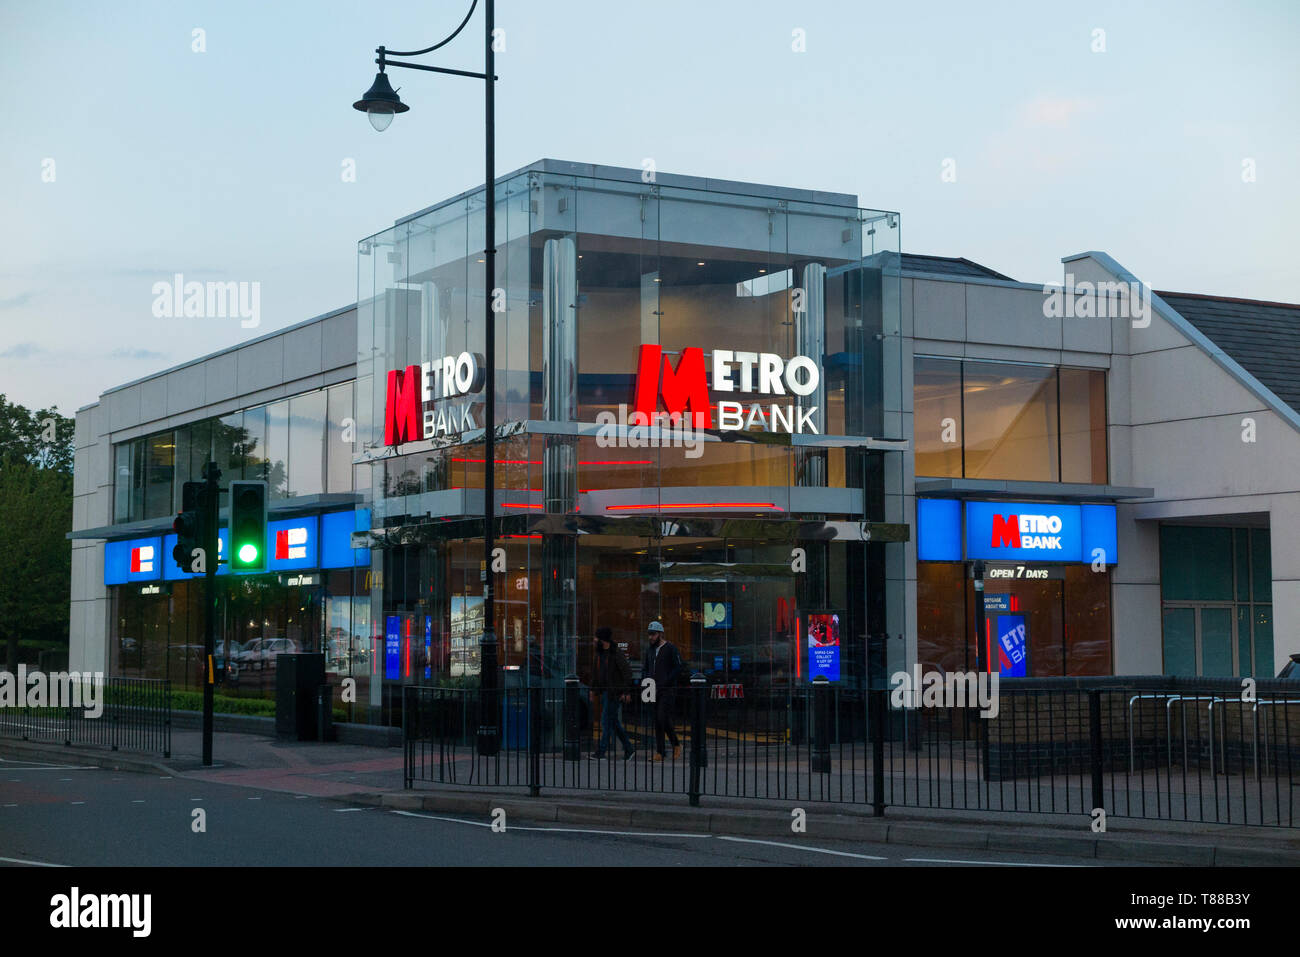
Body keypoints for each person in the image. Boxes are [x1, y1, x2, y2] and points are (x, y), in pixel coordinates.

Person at [591, 627, 634, 760]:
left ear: (603, 639)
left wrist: (626, 692)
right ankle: (629, 749)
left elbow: (627, 673)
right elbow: (596, 674)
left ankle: (601, 752)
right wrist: (593, 690)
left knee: (606, 722)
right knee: (613, 723)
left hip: (615, 693)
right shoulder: (599, 654)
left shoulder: (616, 653)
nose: (594, 640)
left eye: (596, 638)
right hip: (606, 693)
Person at [642, 620, 682, 760]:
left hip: (667, 689)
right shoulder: (650, 650)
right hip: (652, 688)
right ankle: (660, 752)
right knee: (657, 720)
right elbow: (646, 667)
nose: (650, 637)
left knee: (662, 716)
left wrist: (667, 681)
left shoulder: (670, 648)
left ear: (660, 634)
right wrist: (645, 681)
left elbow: (678, 667)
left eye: (653, 634)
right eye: (649, 634)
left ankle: (675, 744)